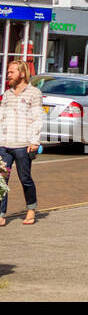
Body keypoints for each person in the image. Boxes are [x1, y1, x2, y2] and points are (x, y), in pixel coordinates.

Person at [0, 59, 42, 226]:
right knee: (1, 180)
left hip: (23, 144)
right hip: (4, 144)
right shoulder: (7, 94)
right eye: (8, 72)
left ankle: (31, 208)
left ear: (22, 74)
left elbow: (36, 119)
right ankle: (1, 213)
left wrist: (35, 142)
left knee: (25, 178)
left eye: (12, 72)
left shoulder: (34, 93)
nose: (8, 75)